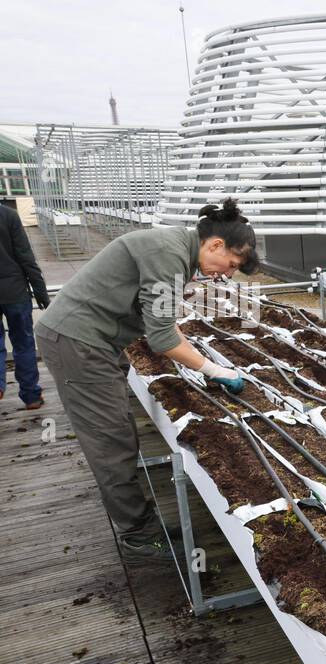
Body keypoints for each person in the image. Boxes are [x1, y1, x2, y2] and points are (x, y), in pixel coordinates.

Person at [35, 198, 256, 563]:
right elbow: (162, 340)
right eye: (230, 265)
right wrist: (216, 371)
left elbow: (162, 323)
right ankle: (139, 537)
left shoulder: (173, 248)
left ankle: (141, 523)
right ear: (215, 245)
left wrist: (207, 362)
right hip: (79, 342)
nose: (226, 274)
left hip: (92, 339)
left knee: (115, 430)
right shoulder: (168, 256)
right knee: (111, 439)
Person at [0, 202, 50, 410]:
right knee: (23, 343)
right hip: (15, 292)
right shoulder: (8, 215)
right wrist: (40, 291)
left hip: (14, 292)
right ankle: (31, 396)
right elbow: (25, 256)